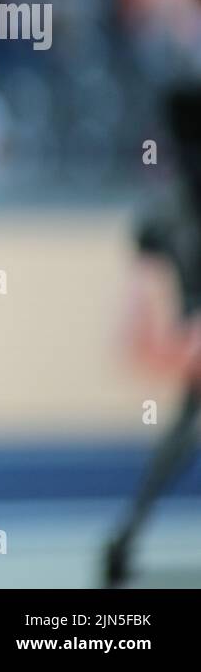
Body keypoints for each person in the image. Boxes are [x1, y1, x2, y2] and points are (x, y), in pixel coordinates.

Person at [103, 83, 201, 587]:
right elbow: (140, 304)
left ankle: (126, 536)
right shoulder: (166, 217)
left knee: (184, 431)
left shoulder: (165, 216)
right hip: (192, 338)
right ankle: (126, 536)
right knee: (183, 431)